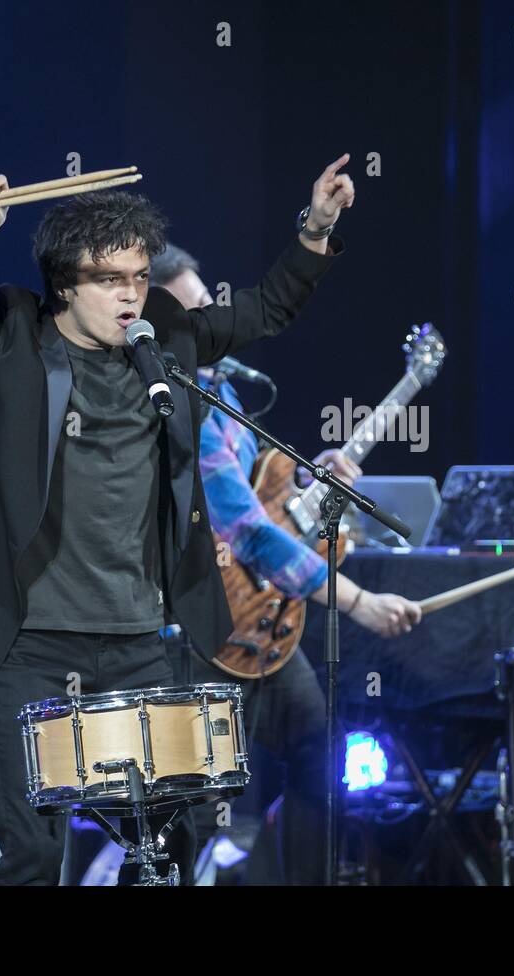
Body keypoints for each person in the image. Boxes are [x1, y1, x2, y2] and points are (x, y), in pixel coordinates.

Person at [0, 155, 355, 884]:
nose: (131, 296)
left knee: (172, 840)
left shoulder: (166, 342)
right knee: (37, 853)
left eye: (140, 277)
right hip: (29, 645)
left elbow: (266, 307)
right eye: (111, 280)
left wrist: (317, 226)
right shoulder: (10, 337)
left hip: (142, 639)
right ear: (63, 285)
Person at [150, 241, 421, 883]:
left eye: (212, 302)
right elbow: (243, 531)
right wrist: (357, 601)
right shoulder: (177, 406)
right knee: (194, 801)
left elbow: (260, 499)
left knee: (320, 758)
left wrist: (306, 483)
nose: (214, 316)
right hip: (203, 626)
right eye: (194, 310)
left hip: (262, 625)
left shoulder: (225, 396)